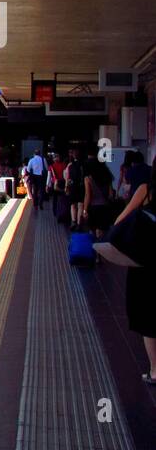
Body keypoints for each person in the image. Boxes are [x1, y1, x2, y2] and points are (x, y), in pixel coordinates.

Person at [111, 177, 156, 385]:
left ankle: (155, 370)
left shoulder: (146, 190)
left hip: (146, 262)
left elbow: (121, 220)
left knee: (148, 316)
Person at [82, 152, 115, 238]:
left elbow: (87, 195)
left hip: (94, 208)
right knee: (103, 231)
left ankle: (95, 248)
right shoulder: (107, 176)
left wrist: (85, 210)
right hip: (105, 207)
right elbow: (111, 194)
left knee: (93, 231)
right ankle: (101, 248)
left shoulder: (88, 178)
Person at [67, 149, 87, 228]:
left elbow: (68, 178)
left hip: (72, 187)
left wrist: (67, 187)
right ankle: (79, 223)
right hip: (81, 187)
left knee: (73, 205)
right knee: (80, 205)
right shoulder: (84, 165)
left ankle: (73, 222)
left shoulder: (70, 165)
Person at [48, 149, 68, 218]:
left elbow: (49, 177)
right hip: (63, 183)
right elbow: (66, 175)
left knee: (55, 199)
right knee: (62, 198)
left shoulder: (51, 166)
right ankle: (62, 212)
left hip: (55, 184)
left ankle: (55, 212)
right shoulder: (64, 165)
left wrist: (47, 186)